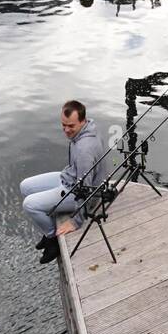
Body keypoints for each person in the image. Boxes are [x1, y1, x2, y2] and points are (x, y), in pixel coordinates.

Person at [19, 100, 108, 263]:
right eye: (63, 125)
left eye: (71, 126)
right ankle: (49, 224)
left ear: (82, 121)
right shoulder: (87, 127)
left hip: (77, 191)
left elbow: (85, 189)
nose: (66, 130)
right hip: (68, 178)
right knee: (25, 186)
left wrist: (76, 221)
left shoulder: (85, 150)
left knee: (29, 205)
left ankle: (52, 238)